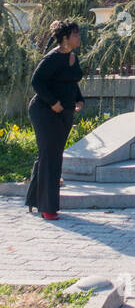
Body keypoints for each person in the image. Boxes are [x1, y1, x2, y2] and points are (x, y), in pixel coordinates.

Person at [25, 19, 84, 220]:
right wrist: (52, 102)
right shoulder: (52, 58)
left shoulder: (72, 56)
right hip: (44, 111)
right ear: (65, 38)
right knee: (51, 157)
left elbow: (71, 81)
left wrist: (79, 99)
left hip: (63, 112)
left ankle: (34, 199)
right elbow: (37, 81)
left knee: (49, 154)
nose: (79, 37)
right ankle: (48, 208)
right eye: (75, 34)